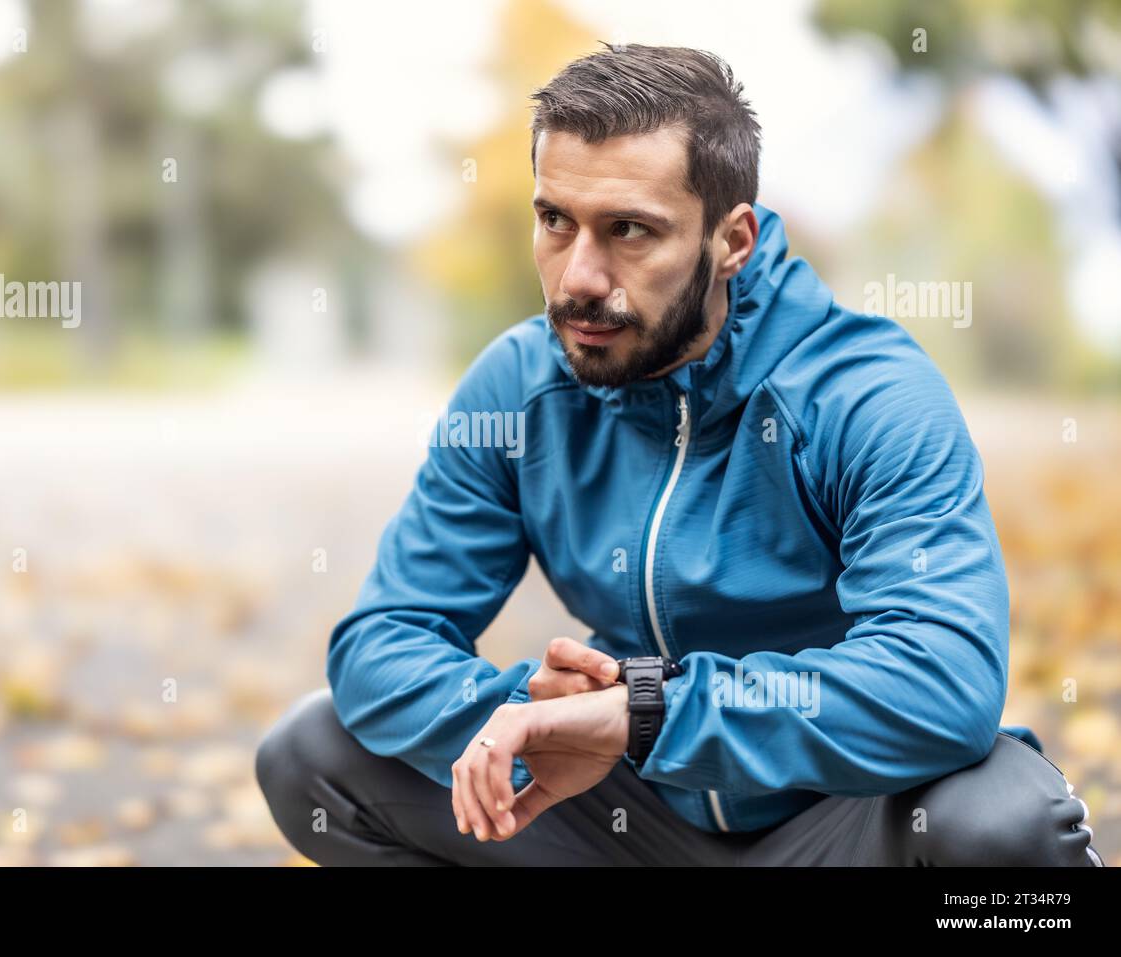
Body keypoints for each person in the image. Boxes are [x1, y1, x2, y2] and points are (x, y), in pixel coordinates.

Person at [256, 43, 1103, 866]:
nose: (578, 277)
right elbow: (383, 641)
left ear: (732, 240)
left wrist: (649, 712)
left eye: (629, 230)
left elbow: (944, 682)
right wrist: (545, 720)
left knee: (1005, 825)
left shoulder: (866, 395)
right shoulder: (518, 390)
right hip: (627, 812)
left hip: (839, 820)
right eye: (555, 221)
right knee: (314, 756)